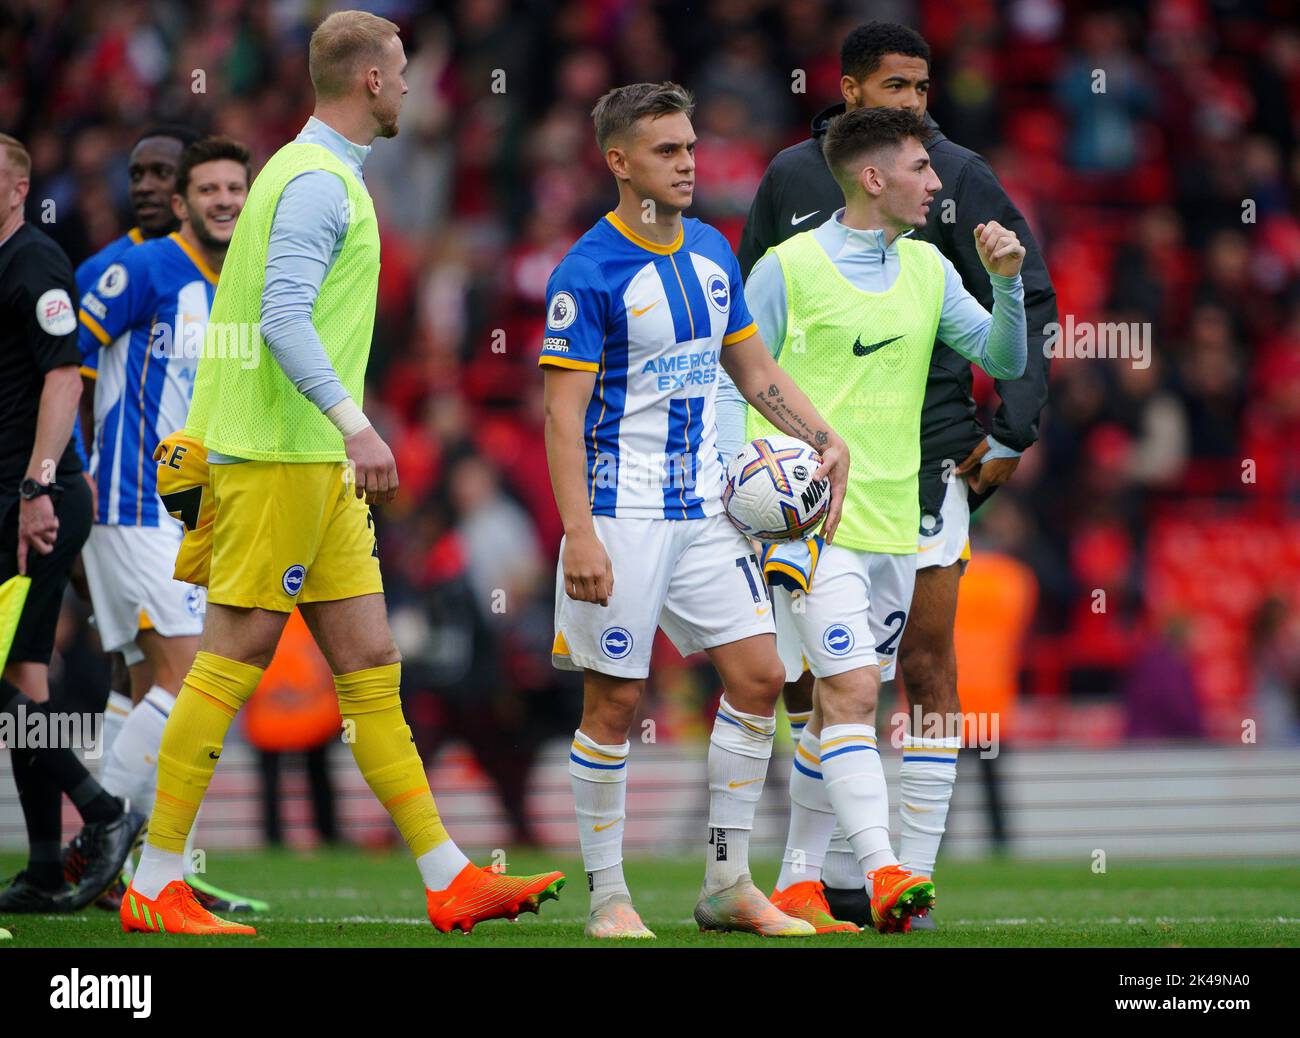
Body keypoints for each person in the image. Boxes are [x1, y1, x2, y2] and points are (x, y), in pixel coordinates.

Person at [121, 10, 566, 937]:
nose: (413, 86)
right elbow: (284, 316)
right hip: (276, 459)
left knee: (370, 665)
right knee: (229, 660)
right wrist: (357, 425)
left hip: (308, 464)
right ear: (369, 80)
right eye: (403, 70)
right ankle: (156, 879)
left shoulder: (309, 171)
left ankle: (448, 877)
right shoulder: (318, 182)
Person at [733, 21, 1055, 927]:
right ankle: (818, 871)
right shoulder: (791, 226)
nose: (920, 111)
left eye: (925, 87)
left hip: (923, 473)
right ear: (853, 96)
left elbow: (1008, 329)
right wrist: (740, 468)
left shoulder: (942, 219)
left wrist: (1011, 410)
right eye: (899, 91)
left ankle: (897, 874)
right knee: (825, 684)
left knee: (913, 668)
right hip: (811, 496)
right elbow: (742, 355)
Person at [541, 81, 849, 939]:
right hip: (619, 511)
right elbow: (561, 417)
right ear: (619, 162)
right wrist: (579, 534)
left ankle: (725, 884)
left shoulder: (713, 251)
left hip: (706, 503)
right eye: (668, 151)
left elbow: (753, 373)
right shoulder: (587, 273)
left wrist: (822, 436)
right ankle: (608, 898)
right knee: (614, 703)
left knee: (760, 678)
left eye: (690, 146)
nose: (688, 163)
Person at [68, 136, 264, 914]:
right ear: (183, 204)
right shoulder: (141, 271)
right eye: (209, 189)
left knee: (150, 684)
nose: (224, 202)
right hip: (128, 504)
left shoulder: (239, 286)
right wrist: (67, 469)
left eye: (235, 190)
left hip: (193, 517)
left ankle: (137, 868)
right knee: (190, 681)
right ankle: (100, 838)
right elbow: (61, 364)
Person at [0, 133, 143, 913]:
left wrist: (36, 487)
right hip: (18, 495)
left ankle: (104, 813)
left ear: (21, 187)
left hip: (36, 498)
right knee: (23, 679)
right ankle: (48, 864)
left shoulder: (34, 260)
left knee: (13, 681)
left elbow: (63, 378)